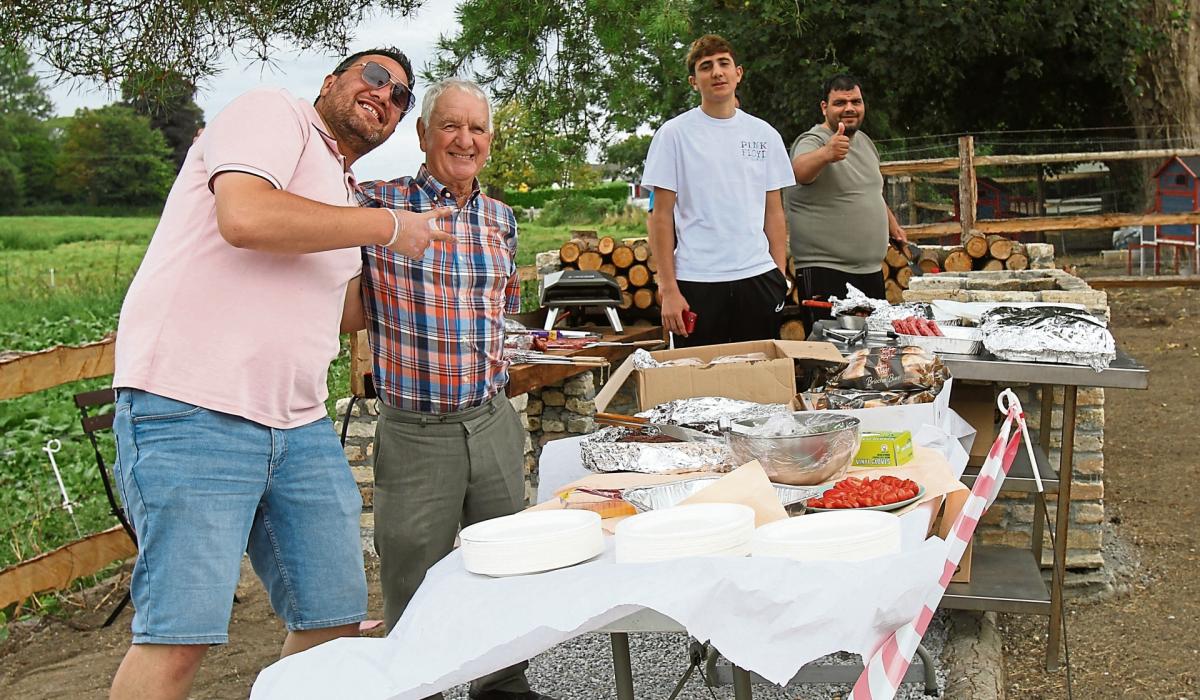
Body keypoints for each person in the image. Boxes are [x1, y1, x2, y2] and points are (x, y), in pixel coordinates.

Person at [108, 49, 452, 700]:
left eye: (403, 95)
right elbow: (244, 217)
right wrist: (387, 227)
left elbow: (349, 312)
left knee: (334, 621)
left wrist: (436, 275)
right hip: (190, 407)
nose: (387, 94)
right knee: (178, 638)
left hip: (297, 425)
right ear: (330, 83)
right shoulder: (273, 114)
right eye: (375, 78)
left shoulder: (343, 196)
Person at [356, 78, 552, 700]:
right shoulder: (377, 206)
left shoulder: (500, 218)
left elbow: (505, 313)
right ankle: (422, 687)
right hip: (416, 432)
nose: (465, 140)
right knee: (415, 579)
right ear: (422, 134)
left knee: (502, 565)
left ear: (489, 141)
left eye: (478, 128)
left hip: (492, 420)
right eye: (451, 126)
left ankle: (503, 685)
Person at [641, 34, 795, 347]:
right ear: (693, 81)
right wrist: (668, 289)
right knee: (698, 386)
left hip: (758, 277)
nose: (717, 72)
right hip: (697, 280)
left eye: (724, 64)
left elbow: (774, 211)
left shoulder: (764, 134)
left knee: (757, 382)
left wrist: (778, 275)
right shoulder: (673, 135)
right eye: (706, 67)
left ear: (738, 73)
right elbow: (661, 216)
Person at [784, 73, 908, 328]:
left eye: (856, 101)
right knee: (832, 356)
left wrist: (892, 225)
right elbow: (797, 171)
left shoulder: (864, 142)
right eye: (840, 102)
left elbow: (870, 190)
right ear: (824, 107)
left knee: (870, 352)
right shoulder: (813, 141)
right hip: (825, 272)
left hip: (870, 272)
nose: (849, 108)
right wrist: (826, 154)